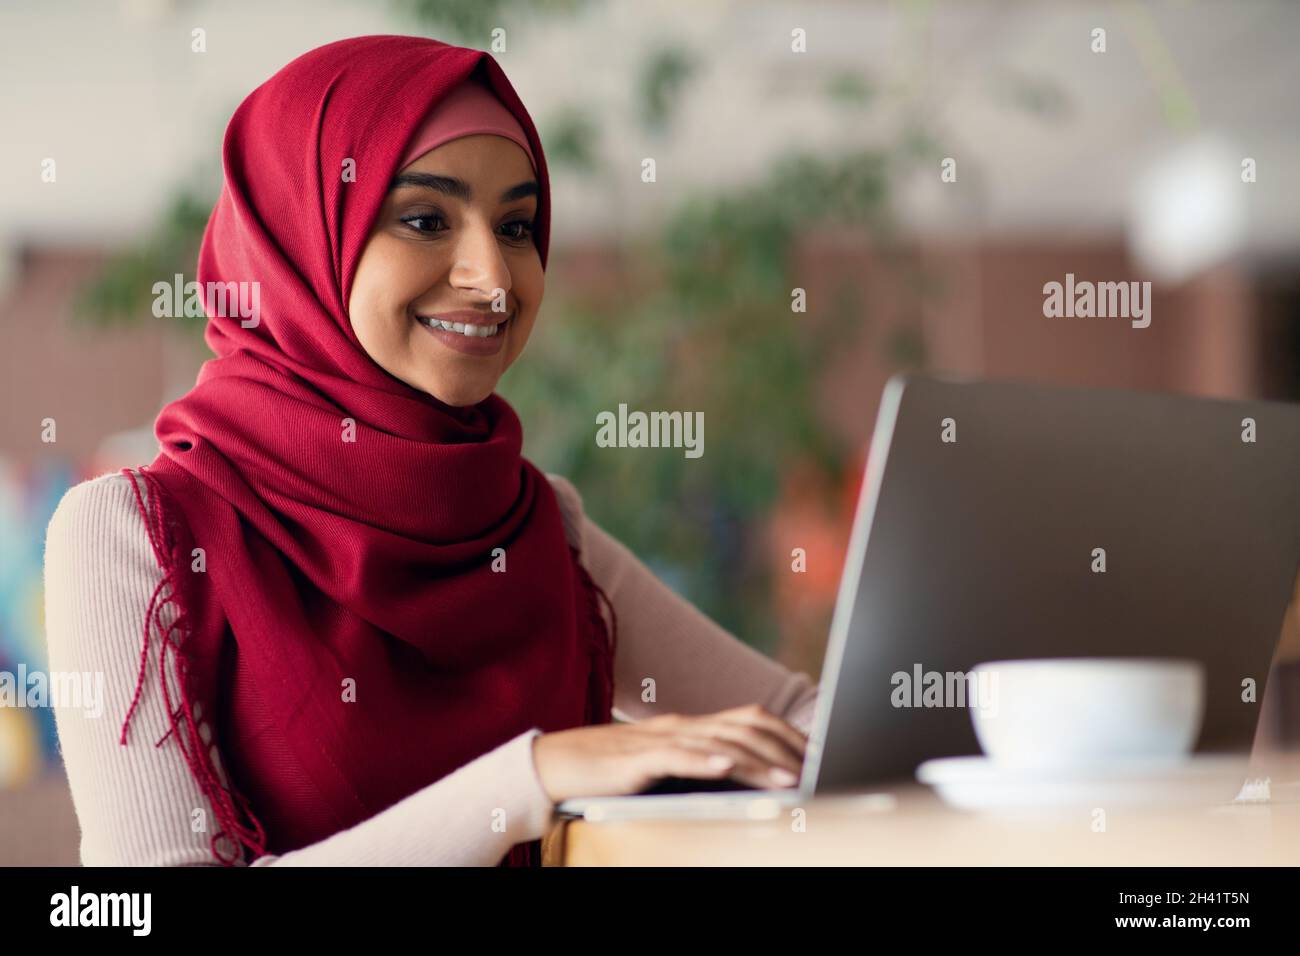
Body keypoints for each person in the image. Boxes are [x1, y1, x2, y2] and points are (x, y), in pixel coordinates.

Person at [43, 35, 818, 868]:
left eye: (517, 225)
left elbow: (798, 717)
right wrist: (530, 780)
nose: (494, 275)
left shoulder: (539, 524)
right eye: (424, 219)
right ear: (297, 237)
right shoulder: (139, 531)